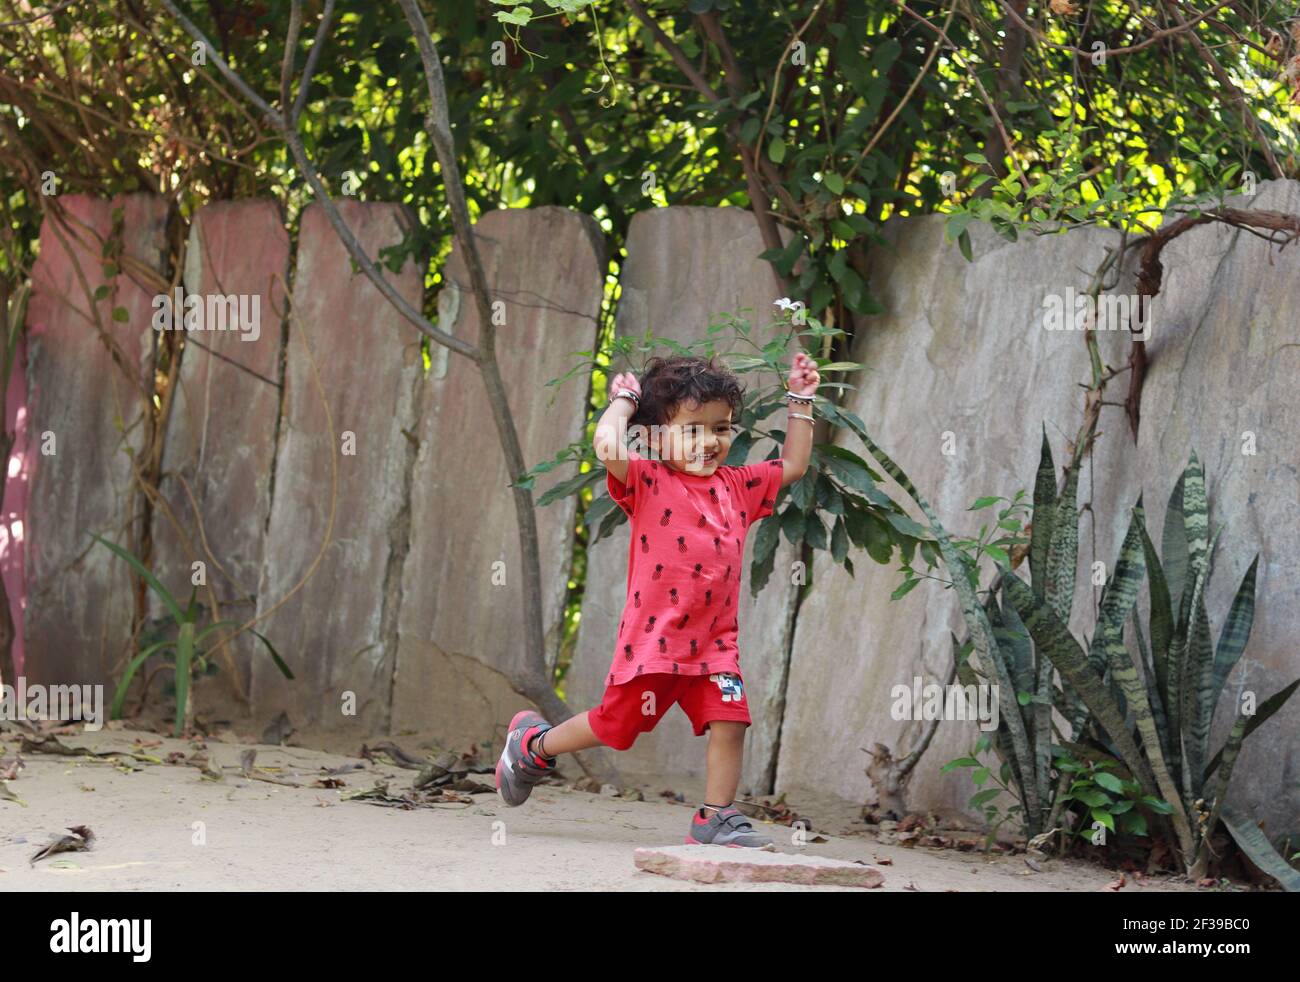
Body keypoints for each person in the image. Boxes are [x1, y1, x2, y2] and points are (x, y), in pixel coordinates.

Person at [495, 351, 820, 847]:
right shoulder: (648, 480)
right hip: (654, 645)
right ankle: (533, 744)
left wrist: (800, 400)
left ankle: (715, 817)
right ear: (653, 437)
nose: (709, 441)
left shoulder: (739, 485)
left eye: (721, 428)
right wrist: (625, 402)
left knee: (731, 720)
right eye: (692, 430)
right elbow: (608, 445)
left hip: (715, 647)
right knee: (616, 727)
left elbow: (794, 463)